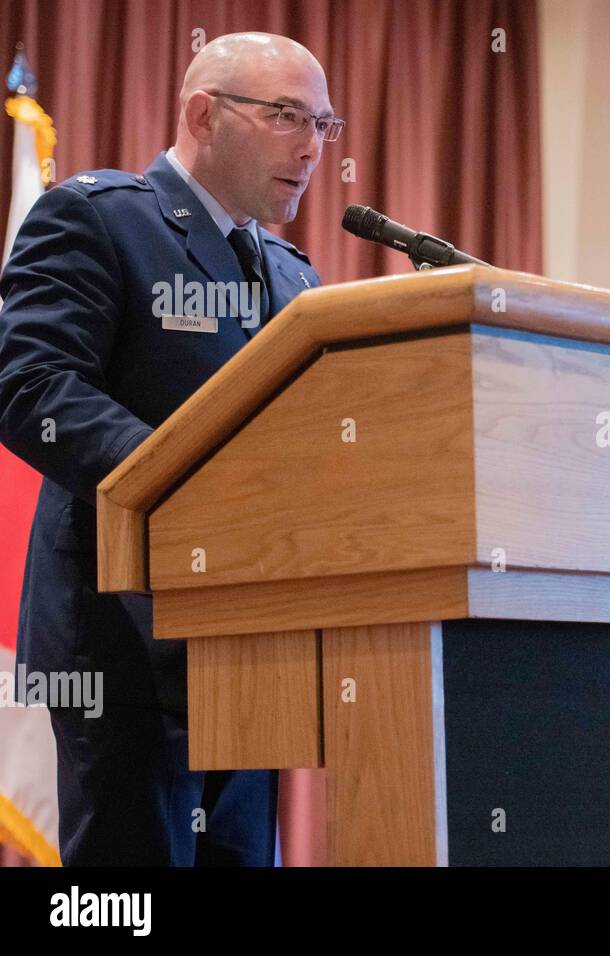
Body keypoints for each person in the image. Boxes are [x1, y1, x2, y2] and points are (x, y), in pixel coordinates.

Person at [0, 32, 339, 865]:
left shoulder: (296, 280)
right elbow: (31, 385)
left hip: (253, 644)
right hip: (120, 636)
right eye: (288, 115)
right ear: (202, 113)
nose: (313, 146)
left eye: (325, 123)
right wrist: (194, 481)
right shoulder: (99, 219)